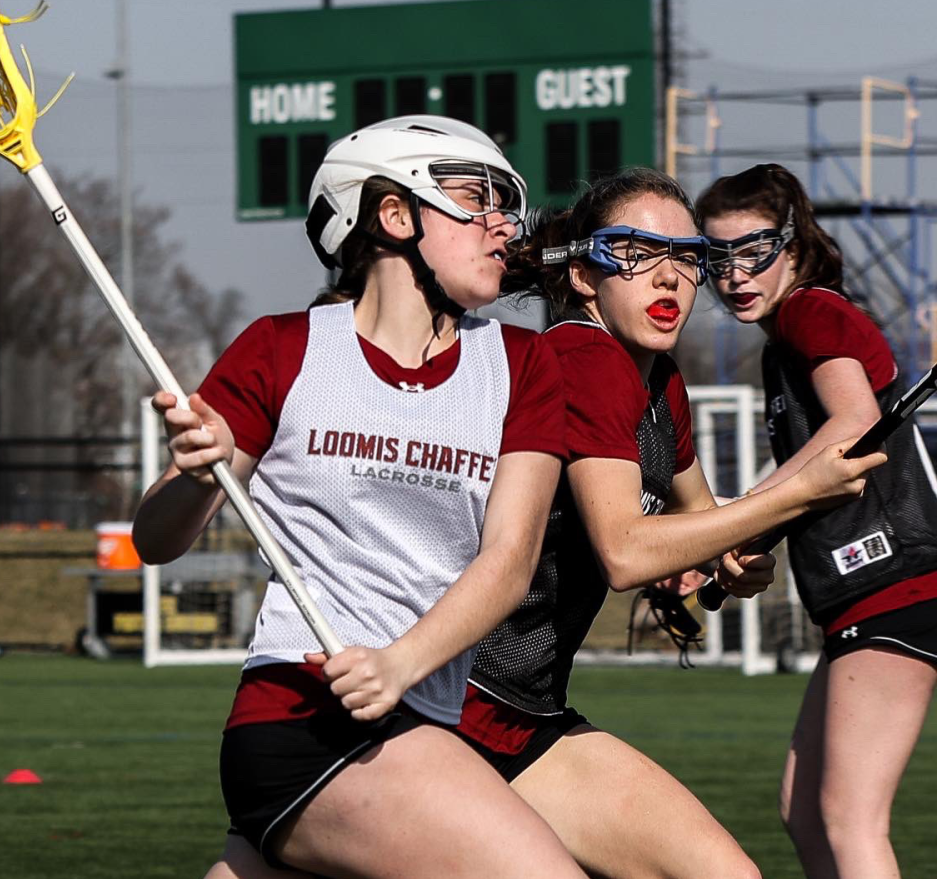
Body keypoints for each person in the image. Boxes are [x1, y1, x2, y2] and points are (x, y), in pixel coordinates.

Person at [203, 165, 885, 879]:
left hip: (520, 709)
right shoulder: (584, 358)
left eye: (687, 257)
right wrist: (796, 493)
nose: (669, 278)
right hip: (459, 698)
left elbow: (701, 521)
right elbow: (624, 550)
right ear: (585, 277)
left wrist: (723, 557)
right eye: (636, 252)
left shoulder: (659, 380)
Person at [133, 116, 588, 878]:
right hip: (301, 714)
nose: (502, 224)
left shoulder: (522, 364)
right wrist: (195, 473)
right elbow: (156, 540)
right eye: (474, 199)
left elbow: (509, 565)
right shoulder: (282, 348)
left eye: (504, 205)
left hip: (420, 711)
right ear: (394, 215)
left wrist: (401, 664)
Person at [698, 162, 937, 879]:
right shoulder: (783, 344)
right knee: (804, 811)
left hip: (894, 582)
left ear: (795, 248)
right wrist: (753, 536)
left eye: (755, 251)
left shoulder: (810, 310)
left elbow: (856, 424)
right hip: (861, 595)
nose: (735, 274)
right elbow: (824, 470)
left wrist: (735, 523)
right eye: (718, 257)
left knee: (848, 819)